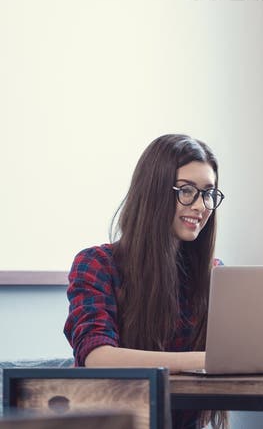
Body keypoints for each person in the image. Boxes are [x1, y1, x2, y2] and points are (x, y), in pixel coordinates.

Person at [64, 134, 226, 429]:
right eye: (186, 191)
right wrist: (205, 360)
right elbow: (97, 356)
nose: (201, 206)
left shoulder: (215, 275)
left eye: (208, 193)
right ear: (153, 193)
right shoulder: (97, 264)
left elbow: (237, 354)